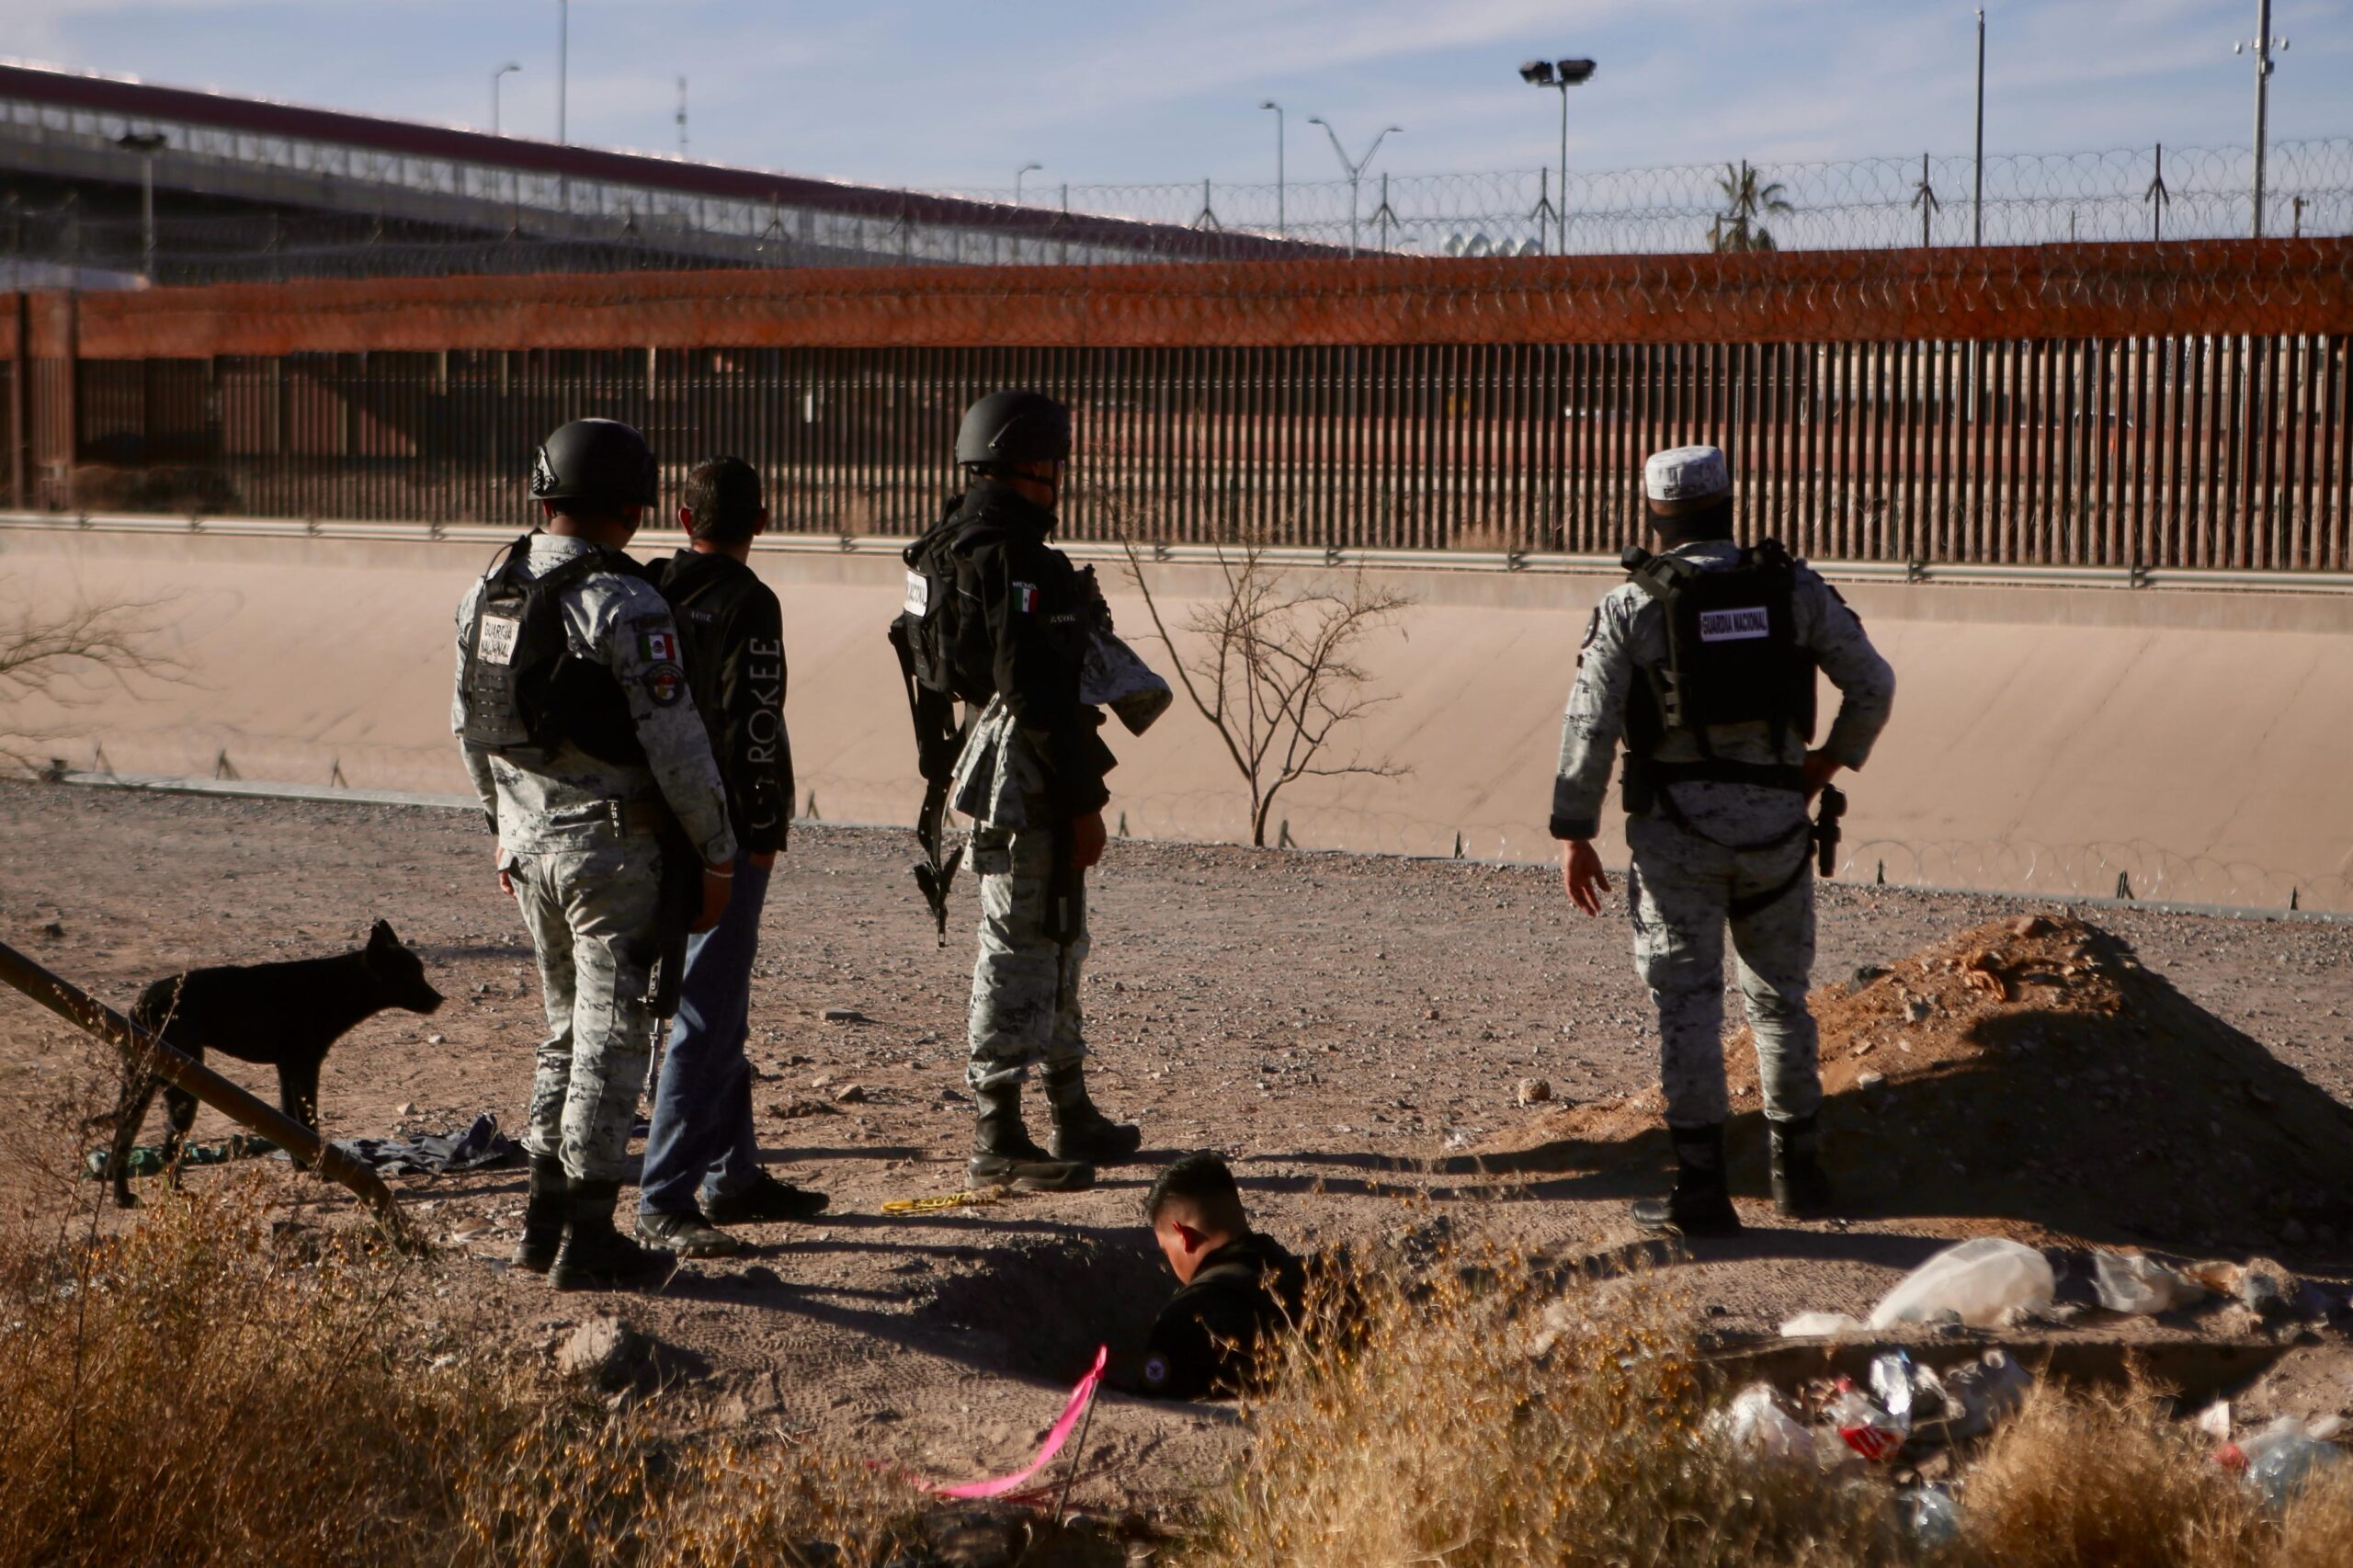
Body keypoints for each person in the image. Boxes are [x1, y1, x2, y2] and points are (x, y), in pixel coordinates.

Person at [1551, 444, 1895, 1237]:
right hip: (1777, 831)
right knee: (1781, 1001)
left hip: (1677, 839)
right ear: (1728, 504)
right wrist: (1820, 767)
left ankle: (1702, 1192)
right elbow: (1873, 685)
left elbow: (1590, 727)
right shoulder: (1793, 590)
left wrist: (1576, 831)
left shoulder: (1629, 607)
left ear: (1655, 516)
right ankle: (1798, 1178)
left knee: (1691, 1007)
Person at [453, 417, 736, 1290]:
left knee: (562, 1032)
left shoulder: (486, 589)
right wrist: (718, 855)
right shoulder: (626, 602)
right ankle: (588, 1236)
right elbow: (680, 746)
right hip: (615, 854)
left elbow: (469, 726)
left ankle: (543, 1227)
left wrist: (501, 830)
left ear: (544, 496)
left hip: (529, 844)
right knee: (610, 1045)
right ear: (628, 503)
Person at [930, 390, 1140, 1191]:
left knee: (1056, 934)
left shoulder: (947, 546)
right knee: (1020, 946)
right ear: (1028, 466)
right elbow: (1041, 697)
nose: (1059, 478)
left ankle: (1070, 1105)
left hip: (985, 765)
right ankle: (999, 1132)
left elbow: (930, 673)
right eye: (1053, 464)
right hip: (1031, 779)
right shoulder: (1022, 562)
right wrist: (1085, 804)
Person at [633, 456, 828, 1258]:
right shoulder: (752, 602)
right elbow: (756, 724)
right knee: (706, 1010)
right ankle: (665, 1197)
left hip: (651, 826)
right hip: (724, 837)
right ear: (762, 524)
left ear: (682, 521)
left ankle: (733, 1173)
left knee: (717, 1003)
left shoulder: (647, 591)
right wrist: (758, 837)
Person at [1131, 1153, 1307, 1401]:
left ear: (1183, 1234)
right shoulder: (1311, 1280)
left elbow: (1156, 1408)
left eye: (1165, 1250)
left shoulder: (1185, 1318)